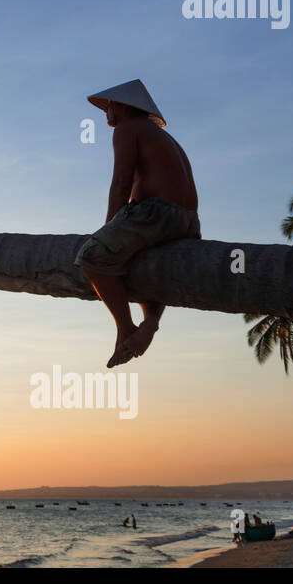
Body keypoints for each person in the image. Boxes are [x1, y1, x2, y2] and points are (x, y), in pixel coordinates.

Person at [73, 80, 201, 368]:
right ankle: (150, 324)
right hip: (186, 220)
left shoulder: (127, 129)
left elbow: (121, 181)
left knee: (91, 258)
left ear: (124, 107)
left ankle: (125, 327)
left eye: (110, 106)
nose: (106, 113)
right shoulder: (162, 136)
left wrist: (106, 229)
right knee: (147, 264)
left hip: (156, 213)